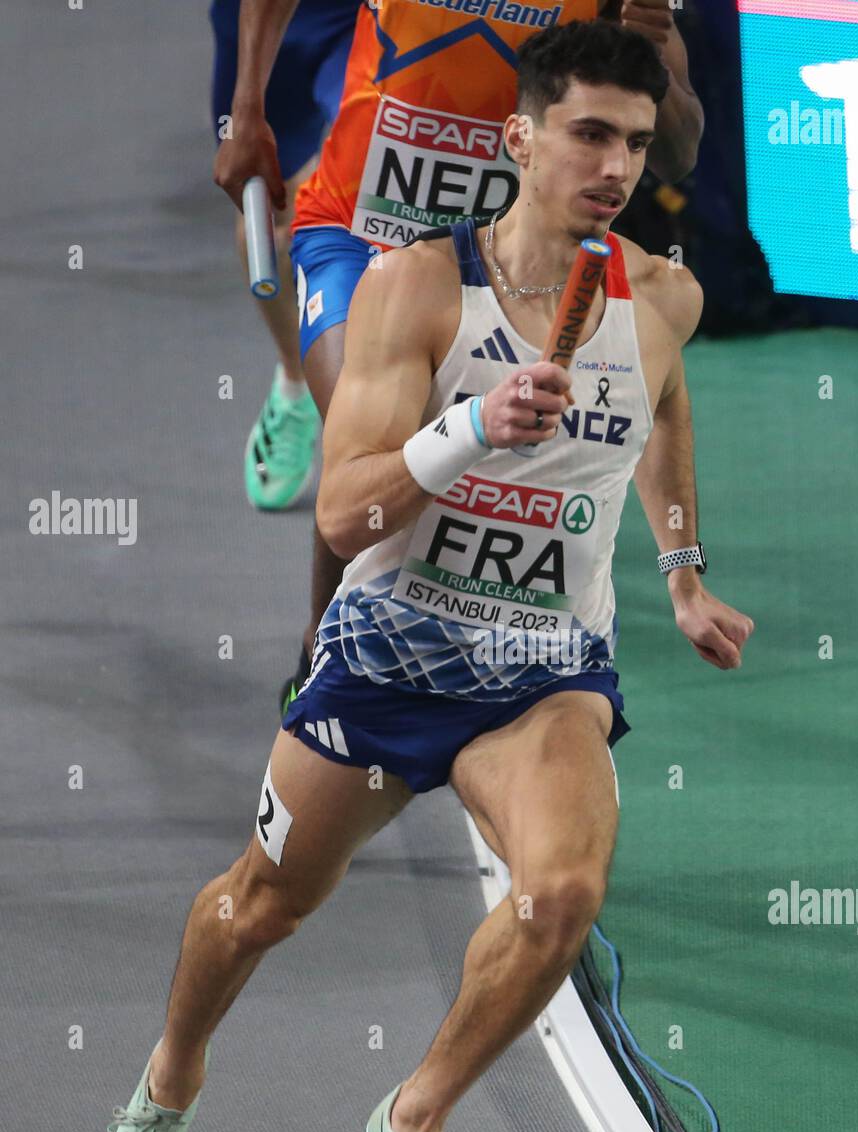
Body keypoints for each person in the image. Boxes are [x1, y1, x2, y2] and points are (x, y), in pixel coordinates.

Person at [98, 19, 752, 1132]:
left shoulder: (662, 297)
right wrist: (469, 429)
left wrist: (680, 568)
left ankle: (415, 1119)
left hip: (545, 671)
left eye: (630, 140)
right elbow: (344, 515)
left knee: (561, 895)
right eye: (587, 134)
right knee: (259, 908)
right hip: (390, 656)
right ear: (521, 138)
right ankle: (168, 1082)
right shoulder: (414, 290)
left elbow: (666, 404)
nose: (614, 164)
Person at [213, 0, 705, 712]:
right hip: (358, 229)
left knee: (427, 451)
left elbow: (680, 153)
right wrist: (247, 107)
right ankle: (321, 658)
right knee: (374, 431)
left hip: (488, 261)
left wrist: (650, 54)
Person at [210, 0, 360, 510]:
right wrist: (247, 107)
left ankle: (381, 404)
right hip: (259, 17)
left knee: (377, 188)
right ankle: (296, 383)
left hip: (371, 17)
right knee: (269, 221)